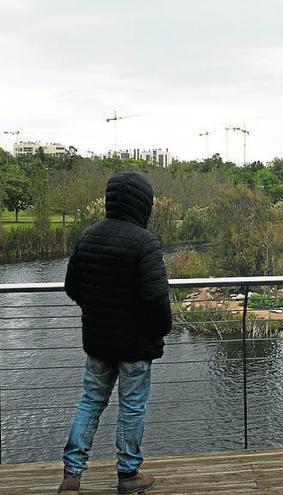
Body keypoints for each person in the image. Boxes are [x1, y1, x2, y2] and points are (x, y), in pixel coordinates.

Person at [57, 172, 171, 495]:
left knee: (91, 401)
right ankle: (128, 474)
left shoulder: (87, 237)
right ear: (141, 203)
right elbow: (156, 299)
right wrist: (161, 330)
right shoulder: (145, 243)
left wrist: (98, 310)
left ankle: (71, 475)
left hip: (98, 340)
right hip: (135, 345)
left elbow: (72, 287)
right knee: (132, 406)